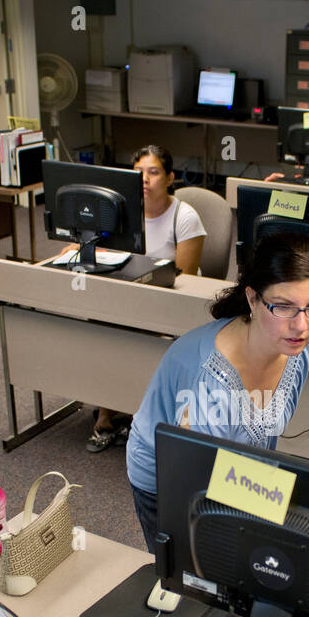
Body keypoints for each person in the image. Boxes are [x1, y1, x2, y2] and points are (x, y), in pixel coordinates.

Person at [126, 232, 309, 552]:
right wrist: (283, 499)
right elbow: (196, 483)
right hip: (168, 478)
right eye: (284, 307)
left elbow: (262, 436)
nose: (302, 326)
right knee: (191, 578)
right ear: (252, 299)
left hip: (233, 473)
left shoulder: (299, 345)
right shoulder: (210, 382)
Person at [87, 145, 206, 453]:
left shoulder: (185, 216)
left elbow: (186, 276)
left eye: (153, 172)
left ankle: (137, 415)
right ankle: (108, 414)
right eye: (139, 172)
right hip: (130, 298)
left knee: (133, 335)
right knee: (102, 327)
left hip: (172, 303)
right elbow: (108, 254)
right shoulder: (123, 211)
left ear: (170, 178)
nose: (145, 179)